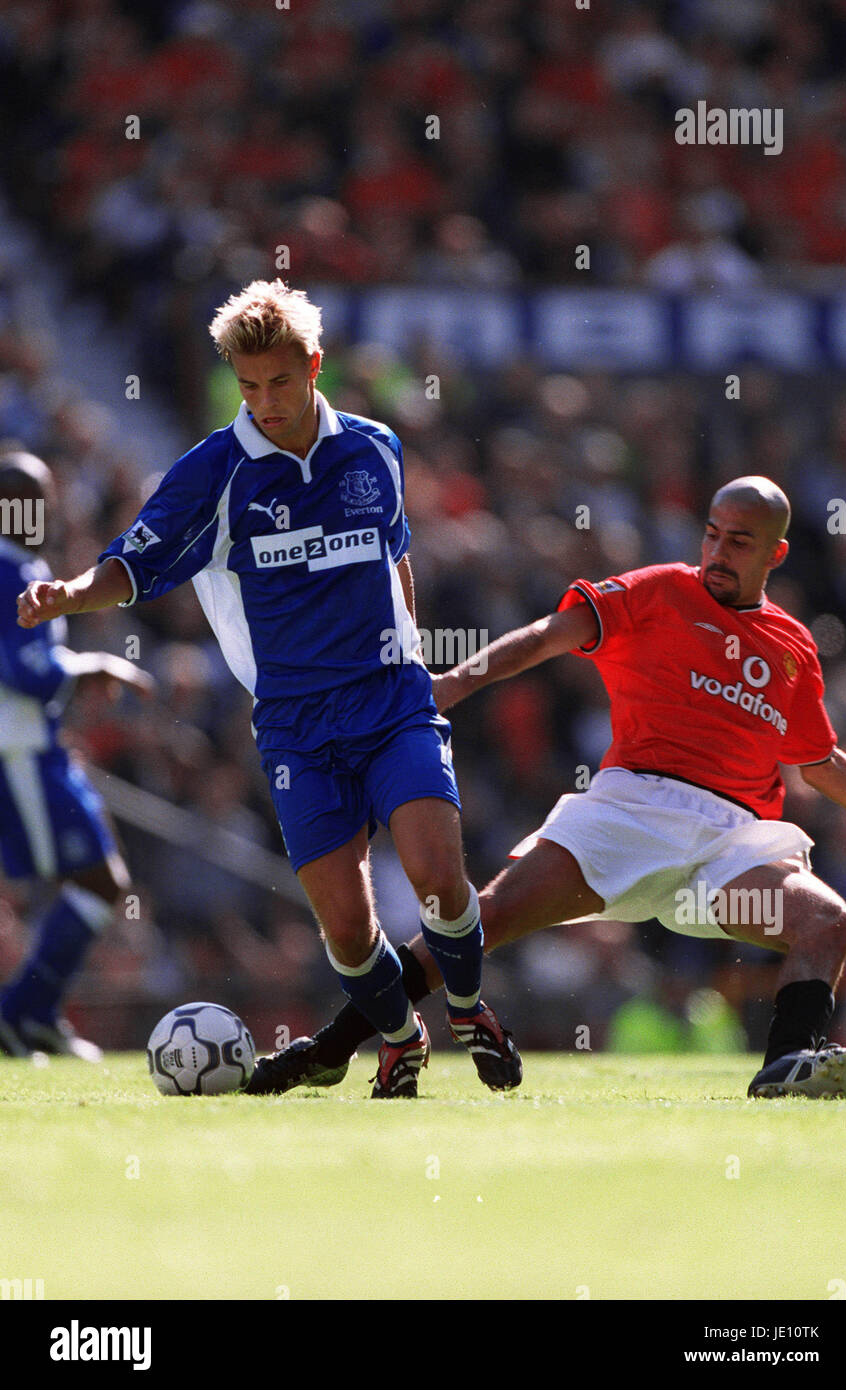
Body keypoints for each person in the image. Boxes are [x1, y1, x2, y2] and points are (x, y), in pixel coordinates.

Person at [16, 281, 519, 1098]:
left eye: (278, 383)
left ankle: (467, 1006)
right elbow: (133, 563)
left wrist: (415, 653)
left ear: (313, 366)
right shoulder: (215, 470)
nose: (263, 402)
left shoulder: (375, 449)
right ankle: (400, 1038)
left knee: (437, 875)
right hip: (294, 720)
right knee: (348, 929)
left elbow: (393, 557)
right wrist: (70, 594)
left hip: (391, 698)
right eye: (247, 387)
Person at [245, 476, 846, 1100]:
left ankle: (786, 1067)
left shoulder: (793, 647)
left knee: (827, 922)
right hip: (631, 811)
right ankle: (330, 1047)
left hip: (731, 843)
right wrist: (451, 685)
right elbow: (549, 634)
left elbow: (818, 762)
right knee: (478, 921)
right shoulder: (660, 591)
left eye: (739, 542)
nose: (718, 552)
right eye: (711, 535)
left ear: (775, 554)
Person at [0, 449, 153, 1059]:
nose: (44, 510)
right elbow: (24, 670)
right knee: (96, 879)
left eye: (45, 498)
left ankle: (29, 1014)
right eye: (27, 499)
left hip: (37, 748)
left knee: (96, 879)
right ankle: (22, 1014)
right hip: (19, 751)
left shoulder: (23, 565)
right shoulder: (7, 572)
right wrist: (96, 664)